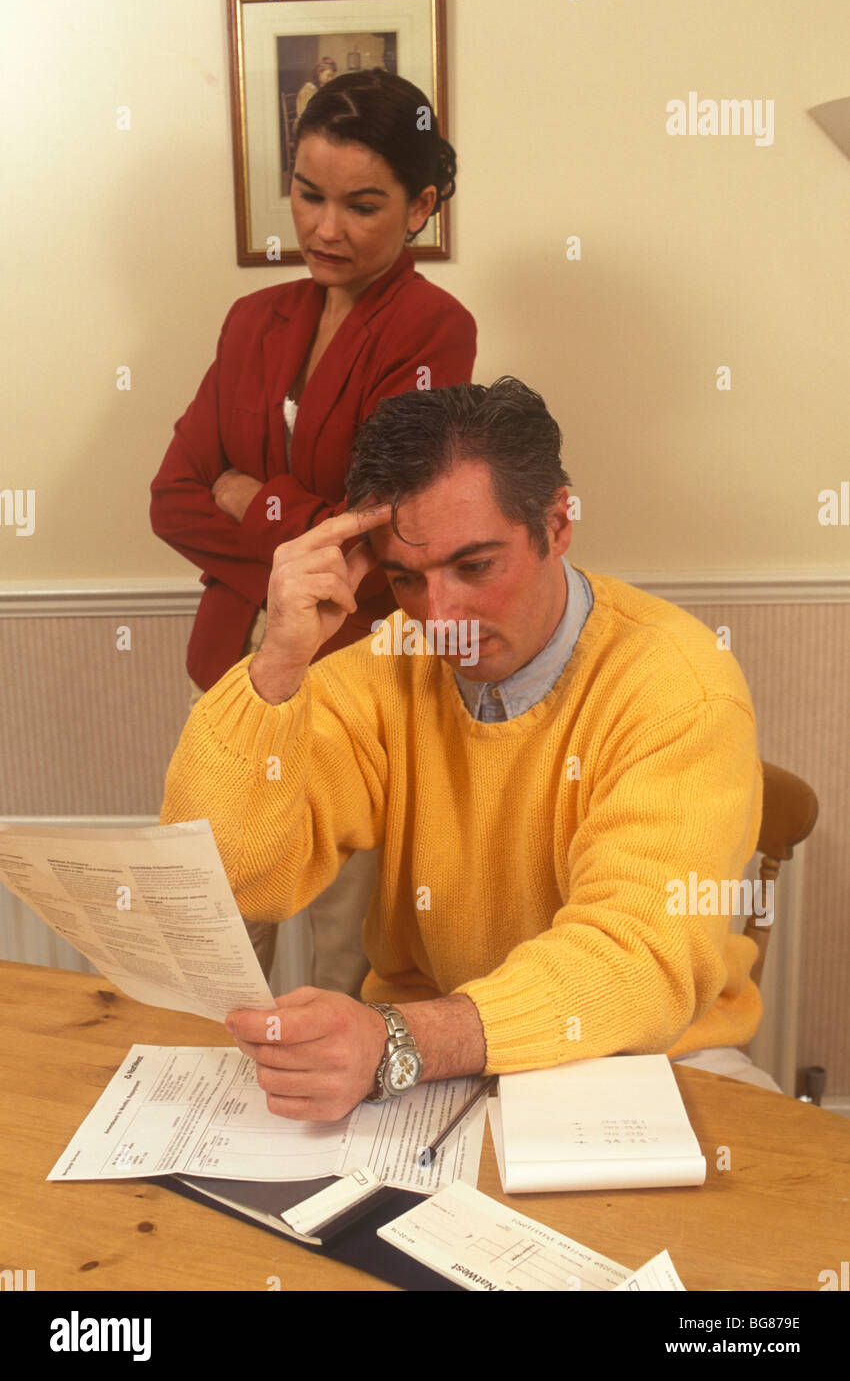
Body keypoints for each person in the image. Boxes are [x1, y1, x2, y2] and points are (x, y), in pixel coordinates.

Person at [161, 377, 778, 1124]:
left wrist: (402, 1038)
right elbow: (230, 885)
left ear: (556, 522)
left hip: (654, 1056)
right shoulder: (386, 665)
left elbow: (638, 960)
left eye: (476, 566)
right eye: (406, 579)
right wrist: (279, 666)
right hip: (437, 1065)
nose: (442, 617)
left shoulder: (678, 683)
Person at [150, 69, 476, 989]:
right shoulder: (253, 319)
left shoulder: (435, 329)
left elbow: (384, 535)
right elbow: (171, 494)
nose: (325, 227)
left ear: (420, 207)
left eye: (363, 204)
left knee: (346, 949)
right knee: (212, 942)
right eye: (308, 193)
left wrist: (247, 495)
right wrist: (300, 533)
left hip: (356, 674)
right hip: (232, 675)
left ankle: (336, 1126)